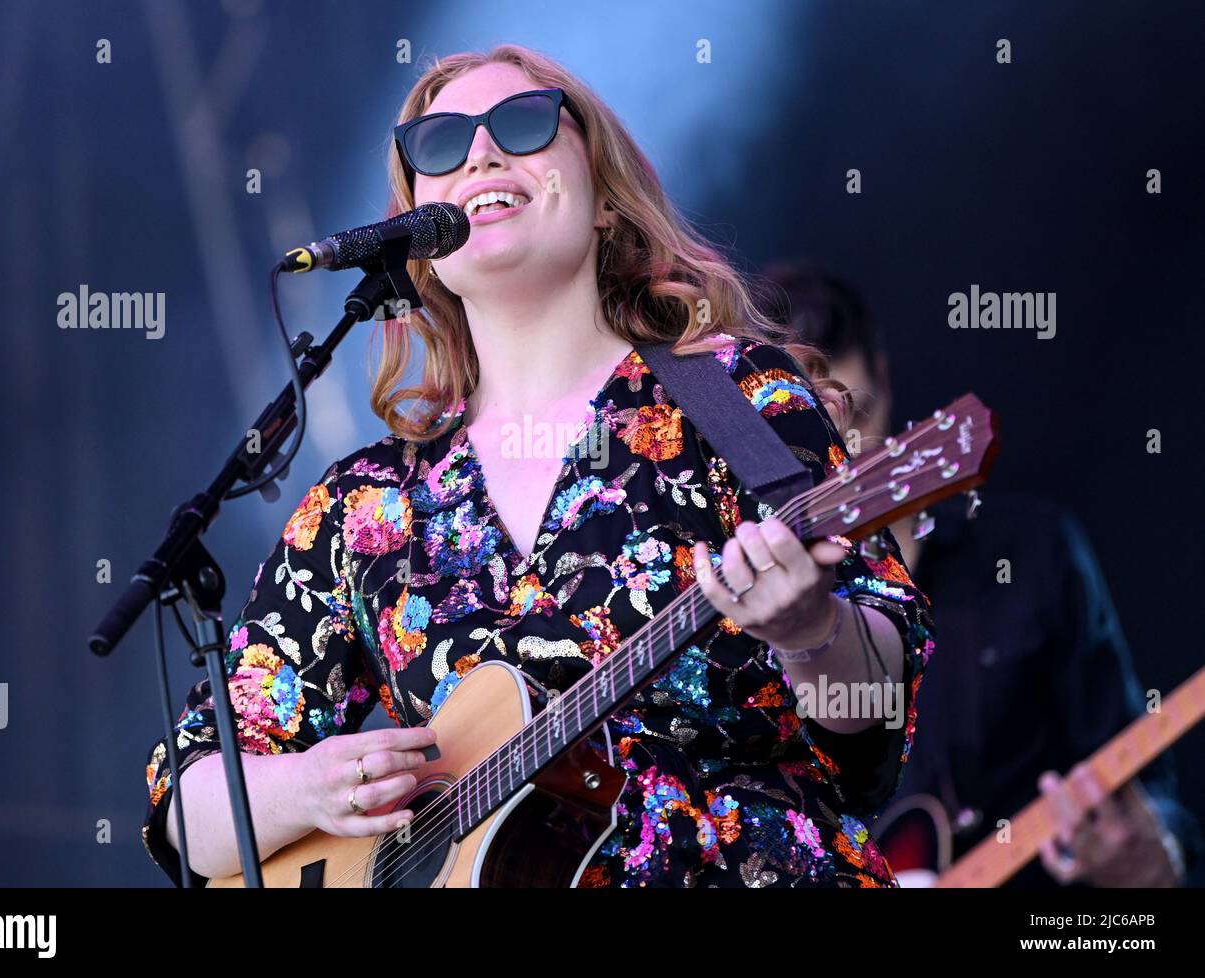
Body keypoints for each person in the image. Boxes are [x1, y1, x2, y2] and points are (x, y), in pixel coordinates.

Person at [140, 46, 936, 888]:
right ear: (419, 236)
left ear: (602, 198)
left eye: (522, 125)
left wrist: (813, 630)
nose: (481, 153)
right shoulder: (366, 506)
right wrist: (310, 787)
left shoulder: (737, 398)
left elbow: (872, 728)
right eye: (440, 144)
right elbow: (190, 805)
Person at [757, 262, 1201, 887]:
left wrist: (1155, 860)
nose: (845, 464)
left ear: (885, 379)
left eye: (858, 421)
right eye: (811, 440)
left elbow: (1150, 788)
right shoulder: (744, 628)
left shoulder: (1035, 550)